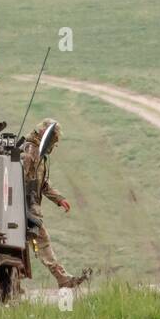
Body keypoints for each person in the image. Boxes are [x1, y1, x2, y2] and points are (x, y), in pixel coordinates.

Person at [22, 118, 92, 289]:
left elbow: (42, 183)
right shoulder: (29, 153)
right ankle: (62, 278)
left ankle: (62, 278)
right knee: (41, 241)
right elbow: (18, 180)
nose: (55, 144)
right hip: (23, 208)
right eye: (54, 139)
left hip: (29, 208)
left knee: (32, 243)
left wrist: (59, 199)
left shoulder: (38, 154)